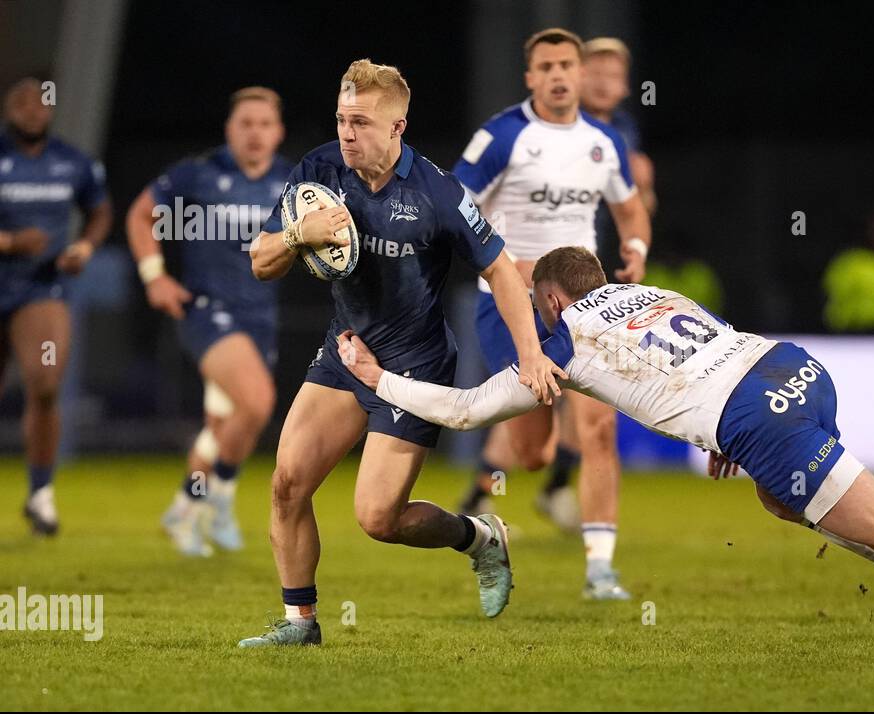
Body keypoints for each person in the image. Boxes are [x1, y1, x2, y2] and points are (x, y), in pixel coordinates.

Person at [337, 246, 874, 656]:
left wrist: (378, 377)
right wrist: (725, 430)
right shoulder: (653, 293)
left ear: (552, 300)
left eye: (534, 308)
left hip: (757, 415)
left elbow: (468, 411)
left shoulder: (564, 336)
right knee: (779, 498)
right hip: (791, 368)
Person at [237, 59, 565, 647]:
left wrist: (532, 354)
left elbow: (501, 270)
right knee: (287, 483)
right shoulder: (318, 169)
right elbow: (261, 261)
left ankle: (479, 537)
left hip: (412, 363)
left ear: (397, 128)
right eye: (341, 119)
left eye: (360, 122)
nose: (346, 133)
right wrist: (296, 235)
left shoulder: (436, 192)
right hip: (345, 352)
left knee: (378, 520)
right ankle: (299, 625)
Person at [453, 28, 652, 600]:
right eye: (548, 66)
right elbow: (452, 206)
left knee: (599, 429)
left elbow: (631, 210)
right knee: (532, 451)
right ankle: (503, 495)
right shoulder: (501, 136)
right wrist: (505, 263)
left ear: (580, 72)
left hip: (589, 307)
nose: (560, 75)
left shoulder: (605, 141)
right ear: (531, 77)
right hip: (511, 306)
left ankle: (601, 570)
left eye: (568, 64)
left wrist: (635, 250)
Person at [126, 87, 292, 556]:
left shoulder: (291, 182)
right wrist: (154, 276)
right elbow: (141, 215)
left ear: (278, 132)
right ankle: (221, 496)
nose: (255, 132)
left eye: (264, 124)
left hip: (261, 317)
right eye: (246, 123)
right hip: (207, 311)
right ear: (229, 130)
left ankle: (184, 507)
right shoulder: (199, 173)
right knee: (258, 403)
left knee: (220, 428)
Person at [0, 77, 111, 536]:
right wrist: (8, 242)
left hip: (41, 289)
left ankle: (41, 493)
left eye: (40, 100)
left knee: (45, 382)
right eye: (21, 100)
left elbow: (99, 210)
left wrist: (83, 247)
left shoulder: (72, 161)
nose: (32, 109)